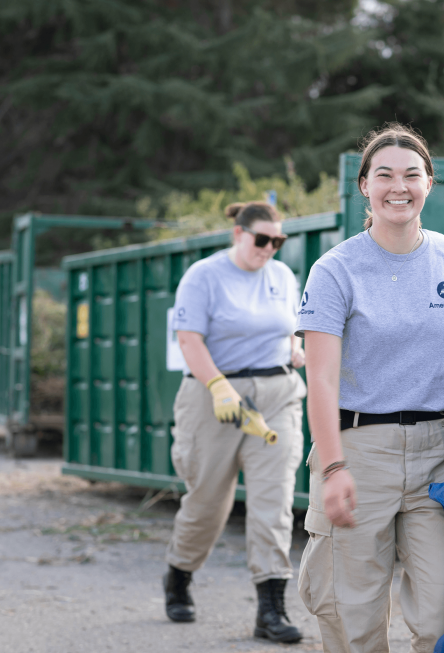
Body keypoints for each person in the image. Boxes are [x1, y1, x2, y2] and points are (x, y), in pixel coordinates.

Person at [295, 124, 444, 653]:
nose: (398, 186)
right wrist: (334, 467)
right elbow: (319, 377)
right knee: (353, 621)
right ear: (364, 185)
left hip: (440, 450)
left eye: (412, 174)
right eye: (384, 175)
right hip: (359, 451)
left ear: (430, 183)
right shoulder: (335, 270)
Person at [162, 201, 307, 644]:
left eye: (277, 241)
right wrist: (219, 387)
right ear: (238, 234)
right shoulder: (204, 276)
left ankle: (271, 608)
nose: (269, 248)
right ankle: (179, 573)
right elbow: (189, 340)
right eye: (262, 239)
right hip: (213, 398)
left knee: (274, 502)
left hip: (277, 398)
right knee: (207, 503)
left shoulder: (282, 276)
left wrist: (297, 354)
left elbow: (289, 332)